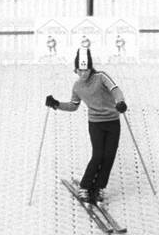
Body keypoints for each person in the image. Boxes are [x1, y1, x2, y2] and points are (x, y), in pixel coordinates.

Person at [44, 48, 127, 205]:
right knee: (98, 155)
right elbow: (73, 105)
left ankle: (99, 187)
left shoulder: (101, 77)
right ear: (76, 69)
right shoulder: (77, 86)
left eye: (86, 69)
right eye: (80, 70)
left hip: (112, 122)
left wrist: (120, 102)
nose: (83, 73)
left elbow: (115, 90)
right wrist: (56, 104)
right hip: (95, 124)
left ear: (91, 68)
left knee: (109, 156)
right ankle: (85, 186)